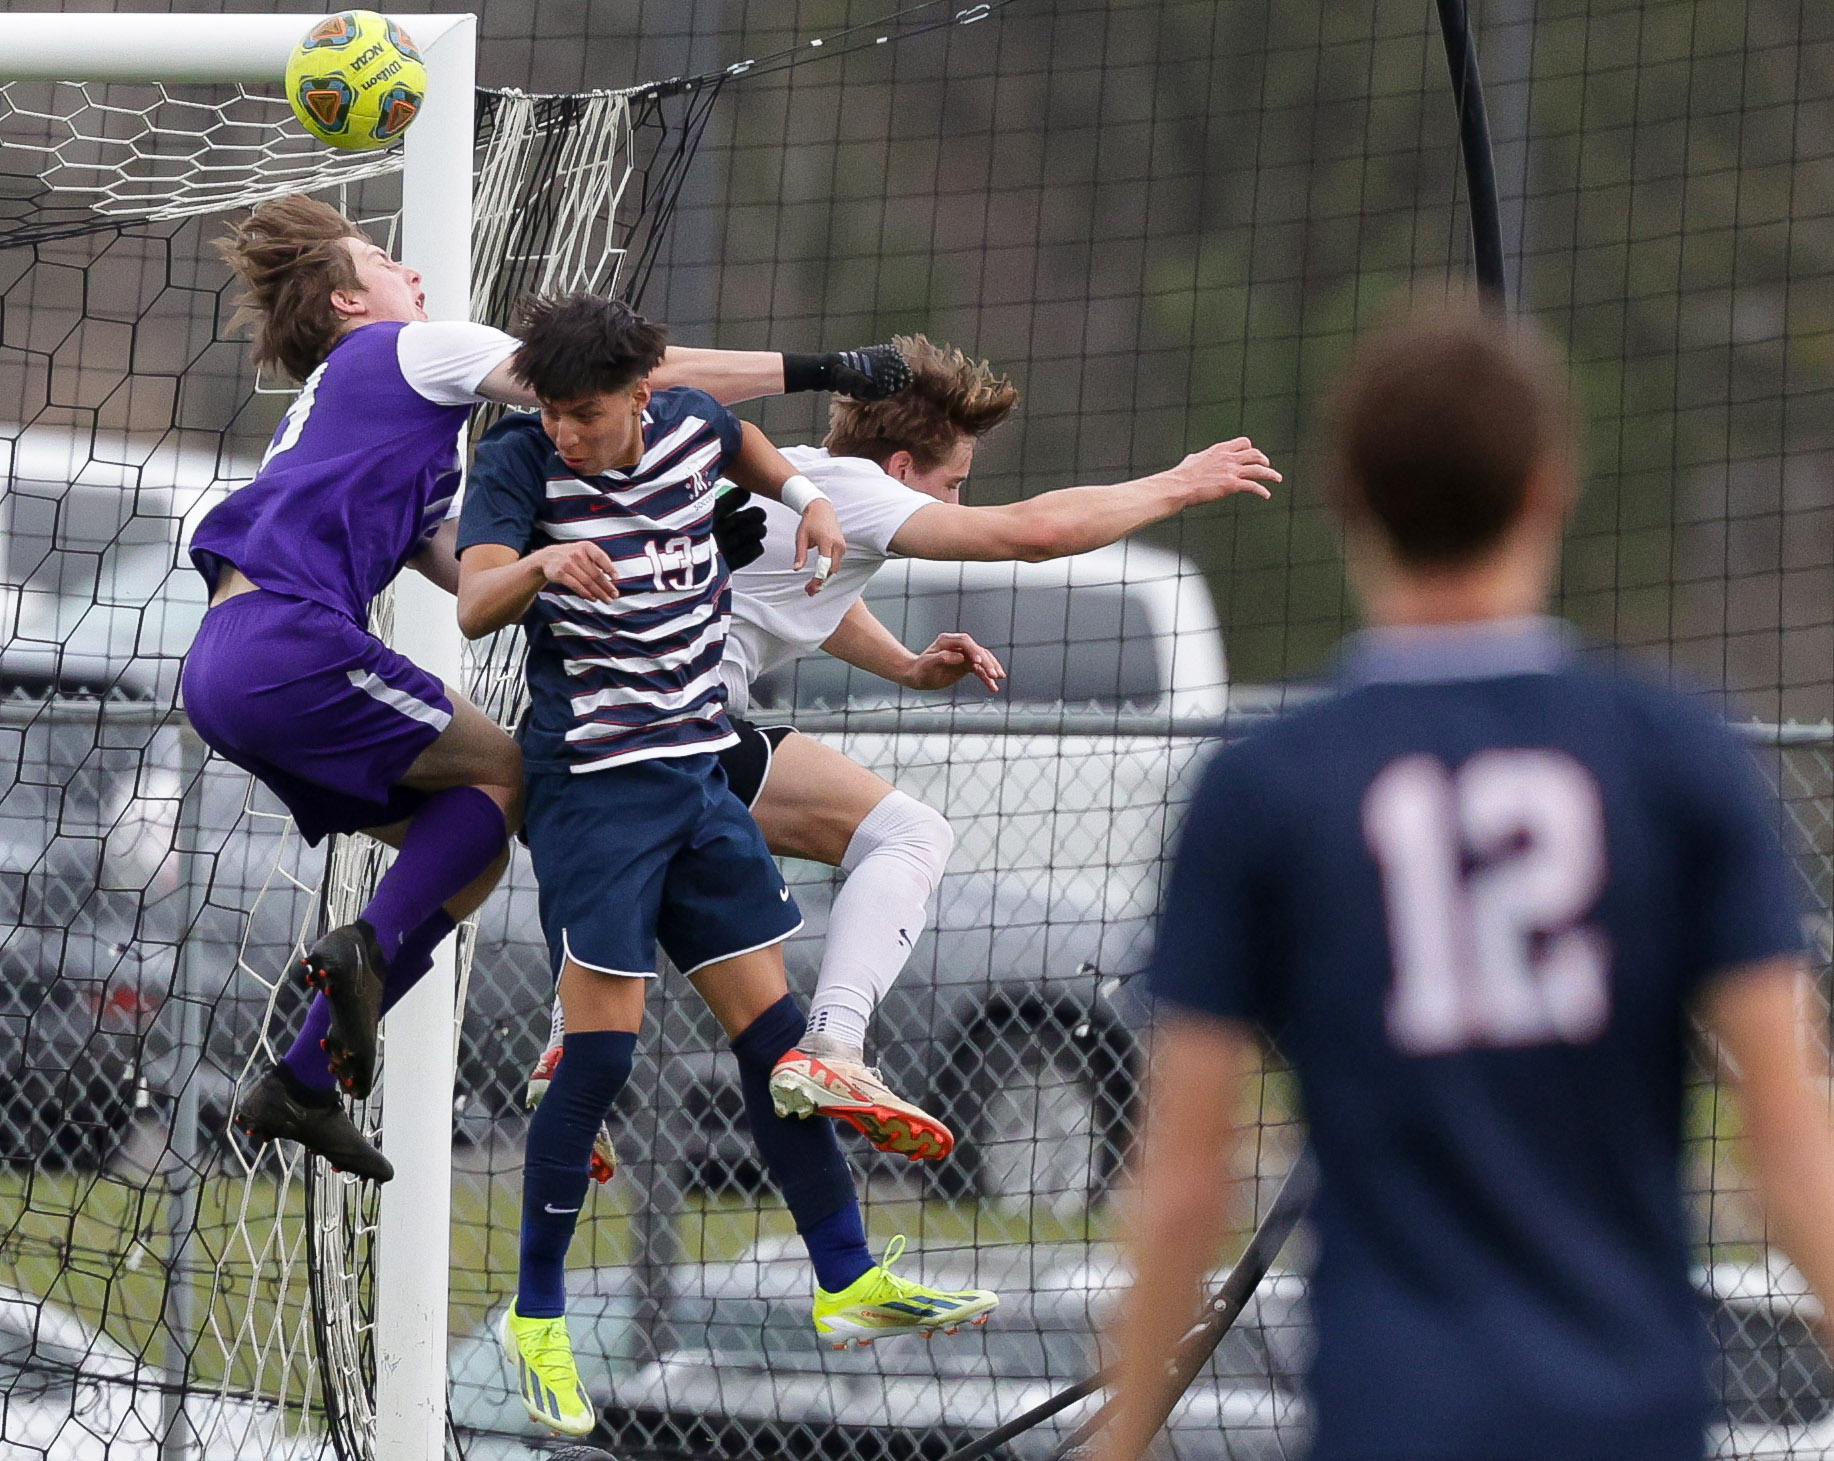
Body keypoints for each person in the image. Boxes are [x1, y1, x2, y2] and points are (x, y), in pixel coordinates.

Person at [1099, 298, 1834, 1461]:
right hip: (1627, 1408)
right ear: (1550, 486)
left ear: (1345, 497)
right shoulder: (1678, 754)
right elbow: (1790, 1148)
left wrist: (1119, 1438)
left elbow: (1187, 1180)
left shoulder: (1266, 786)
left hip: (1396, 1410)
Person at [184, 194, 914, 1184]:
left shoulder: (363, 430)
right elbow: (621, 379)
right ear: (354, 304)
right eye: (388, 263)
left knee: (478, 829)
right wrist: (823, 371)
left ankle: (305, 1079)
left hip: (228, 665)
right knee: (518, 774)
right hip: (285, 642)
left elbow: (493, 582)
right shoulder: (410, 349)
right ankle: (436, 981)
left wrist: (680, 557)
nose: (414, 274)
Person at [455, 295, 999, 1439]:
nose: (566, 432)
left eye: (588, 414)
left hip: (699, 782)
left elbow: (744, 442)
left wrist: (804, 503)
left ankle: (847, 1283)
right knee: (598, 1061)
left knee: (779, 1047)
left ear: (641, 397)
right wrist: (546, 565)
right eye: (552, 412)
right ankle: (538, 1323)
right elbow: (471, 601)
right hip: (595, 795)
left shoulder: (692, 423)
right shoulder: (517, 464)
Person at [532, 334, 1280, 1160]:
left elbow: (809, 589)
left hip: (631, 724)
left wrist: (904, 664)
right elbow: (1034, 534)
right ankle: (834, 1048)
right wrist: (1177, 485)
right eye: (953, 484)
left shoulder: (811, 477)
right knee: (910, 834)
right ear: (898, 466)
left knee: (670, 904)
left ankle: (570, 1049)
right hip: (681, 726)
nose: (958, 506)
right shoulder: (854, 491)